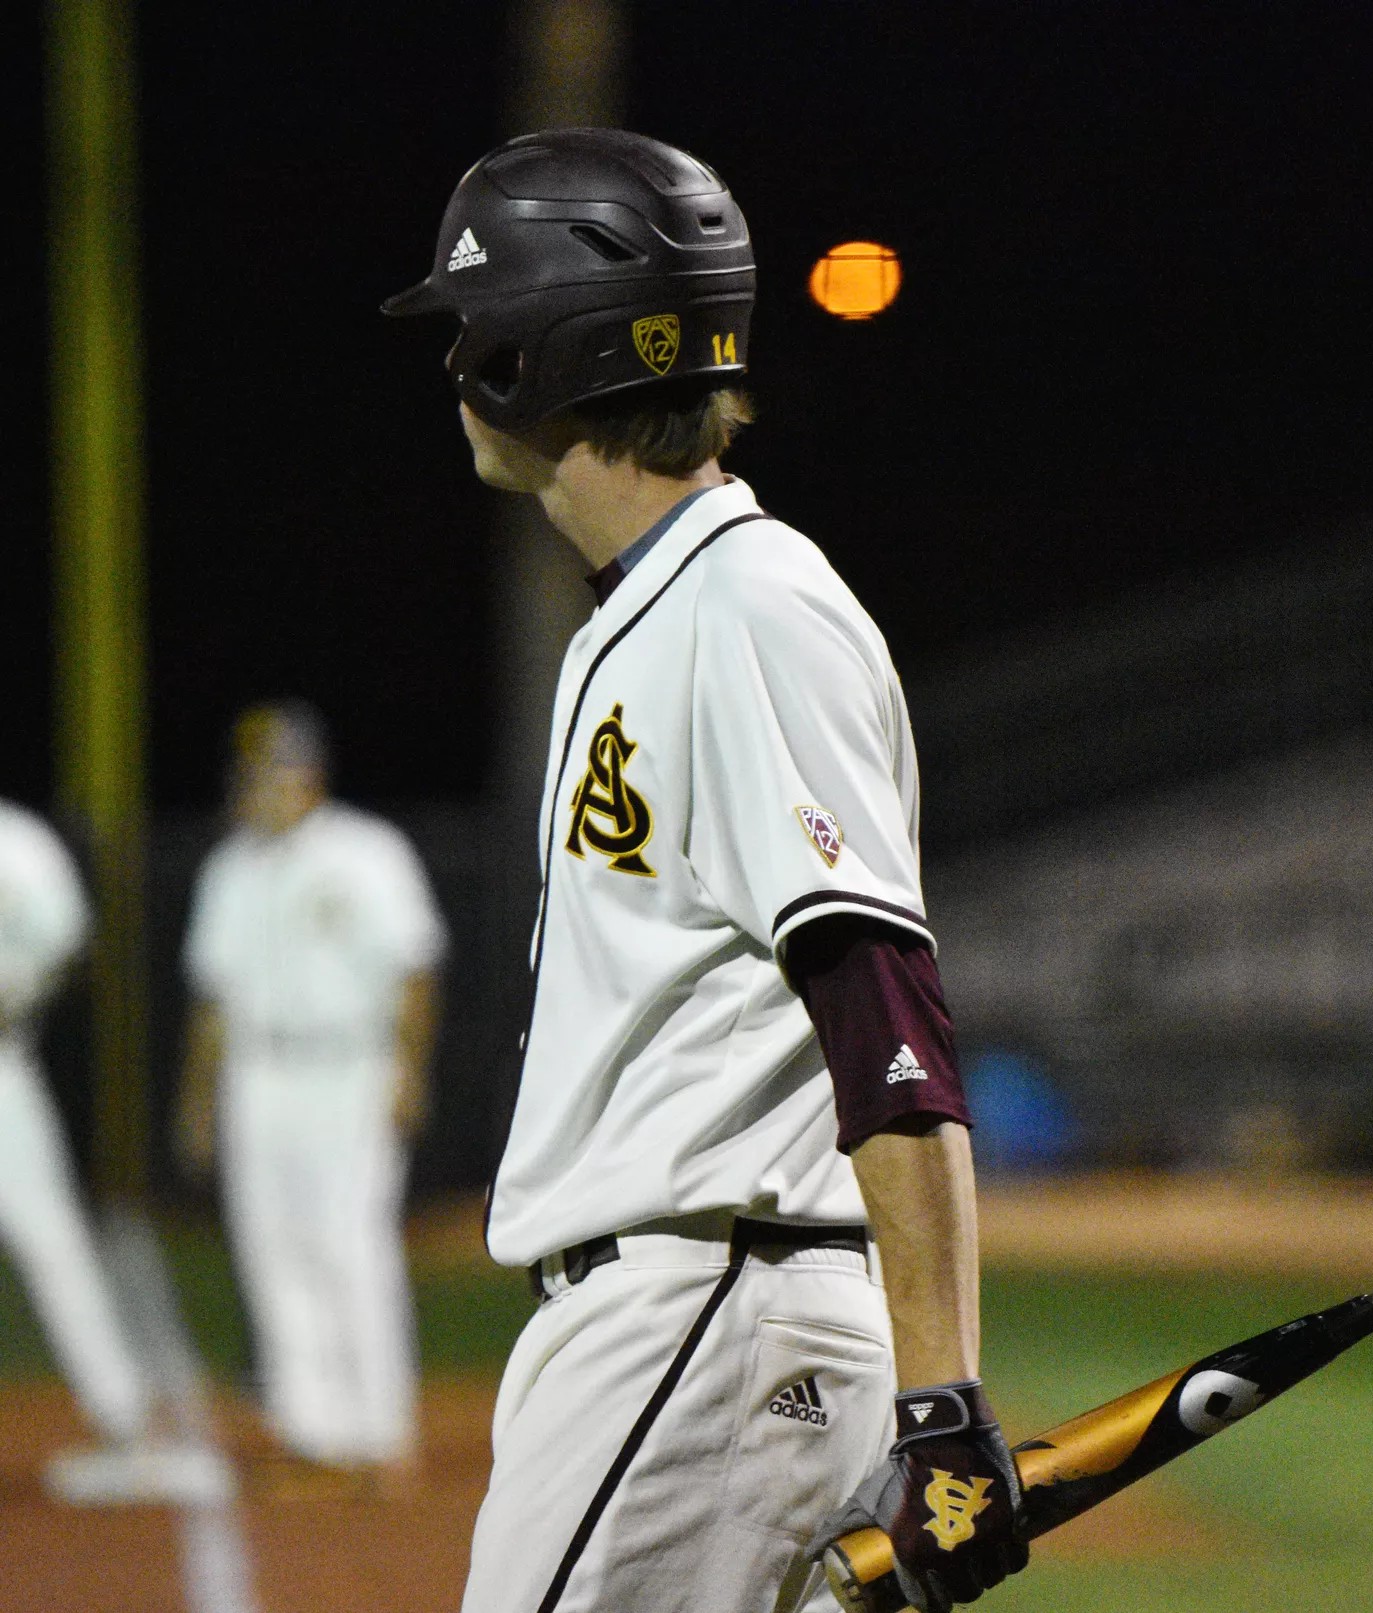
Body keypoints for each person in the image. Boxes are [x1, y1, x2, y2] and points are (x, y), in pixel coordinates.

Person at [382, 130, 1025, 1613]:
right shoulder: (660, 614)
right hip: (698, 1315)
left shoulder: (744, 606)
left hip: (708, 1315)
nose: (455, 364)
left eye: (475, 327)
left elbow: (884, 1008)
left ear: (536, 357)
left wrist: (943, 1398)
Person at [177, 702, 446, 1488]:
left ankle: (381, 1433)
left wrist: (409, 1070)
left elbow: (416, 967)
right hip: (256, 1074)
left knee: (347, 1242)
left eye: (273, 768)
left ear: (310, 772)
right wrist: (198, 1100)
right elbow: (214, 996)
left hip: (348, 1066)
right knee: (272, 1248)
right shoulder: (231, 867)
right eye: (251, 771)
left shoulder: (367, 852)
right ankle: (309, 1428)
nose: (257, 785)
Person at [0, 798, 225, 1506]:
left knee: (49, 1239)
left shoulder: (16, 841)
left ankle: (124, 1417)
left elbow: (68, 936)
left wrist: (14, 987)